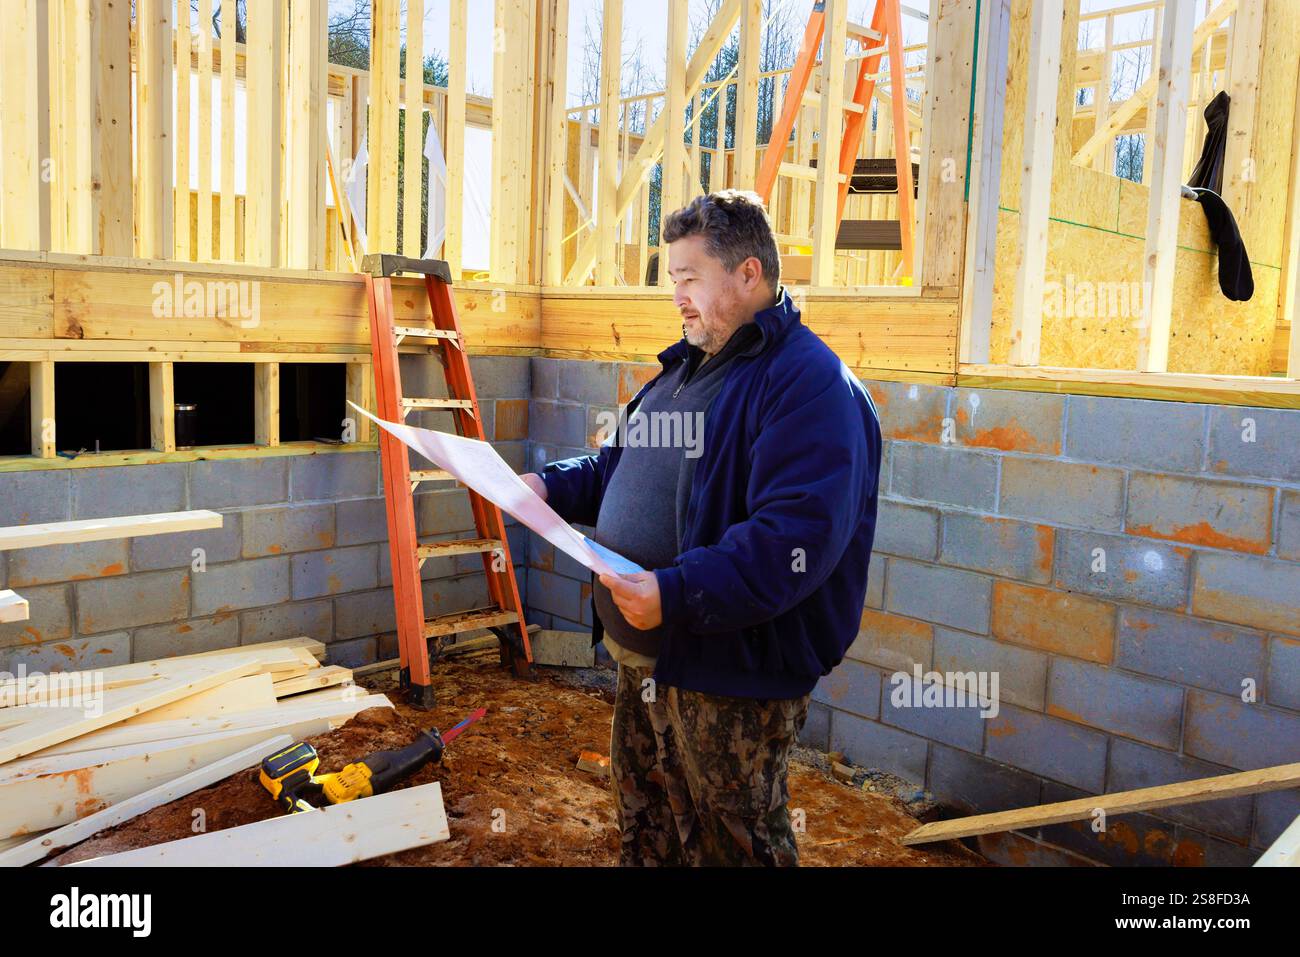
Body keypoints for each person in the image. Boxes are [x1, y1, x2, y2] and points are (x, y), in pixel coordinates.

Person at [522, 189, 882, 866]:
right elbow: (616, 468)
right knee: (650, 828)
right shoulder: (684, 370)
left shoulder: (809, 384)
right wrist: (547, 485)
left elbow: (793, 538)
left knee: (733, 844)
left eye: (690, 278)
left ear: (748, 273)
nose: (678, 297)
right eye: (673, 281)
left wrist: (677, 591)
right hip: (650, 662)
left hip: (729, 677)